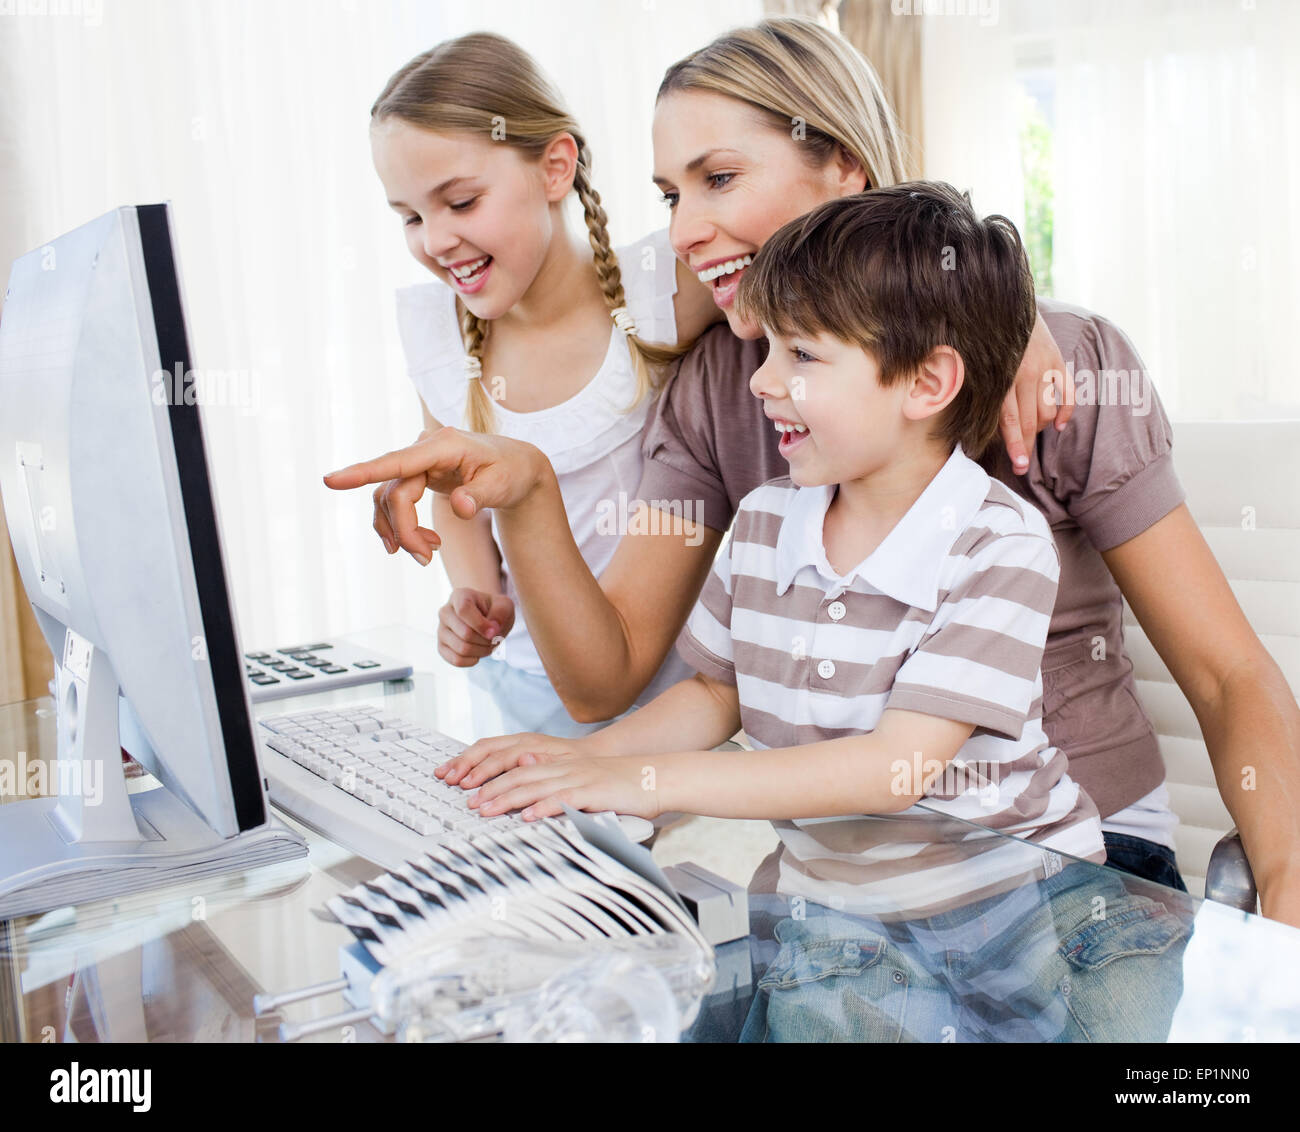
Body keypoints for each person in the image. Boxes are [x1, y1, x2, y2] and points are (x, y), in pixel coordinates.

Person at [327, 18, 1300, 925]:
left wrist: (1289, 898)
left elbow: (1224, 676)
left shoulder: (1055, 368)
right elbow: (631, 676)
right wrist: (530, 496)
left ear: (844, 167)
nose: (683, 231)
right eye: (670, 194)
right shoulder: (719, 391)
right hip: (840, 883)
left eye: (717, 178)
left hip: (1065, 874)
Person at [447, 186, 1191, 1043]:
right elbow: (716, 692)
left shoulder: (997, 541)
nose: (763, 380)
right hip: (846, 925)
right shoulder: (766, 520)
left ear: (927, 382)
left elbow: (893, 771)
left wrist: (637, 782)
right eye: (768, 348)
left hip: (1017, 913)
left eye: (801, 354)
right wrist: (580, 760)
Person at [365, 32, 718, 733]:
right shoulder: (437, 332)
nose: (433, 240)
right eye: (410, 217)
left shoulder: (663, 289)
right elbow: (456, 493)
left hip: (666, 699)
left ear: (556, 167)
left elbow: (832, 253)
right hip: (521, 688)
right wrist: (475, 596)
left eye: (460, 203)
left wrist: (1006, 335)